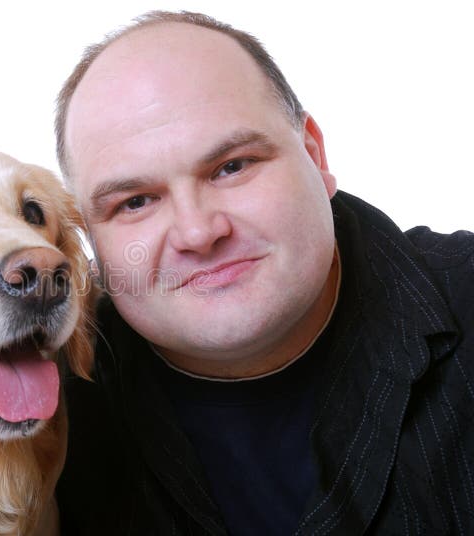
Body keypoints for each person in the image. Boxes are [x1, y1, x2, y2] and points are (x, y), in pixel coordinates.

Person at [53, 10, 474, 536]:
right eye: (135, 202)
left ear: (314, 154)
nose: (198, 232)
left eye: (233, 166)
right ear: (88, 239)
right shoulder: (34, 407)